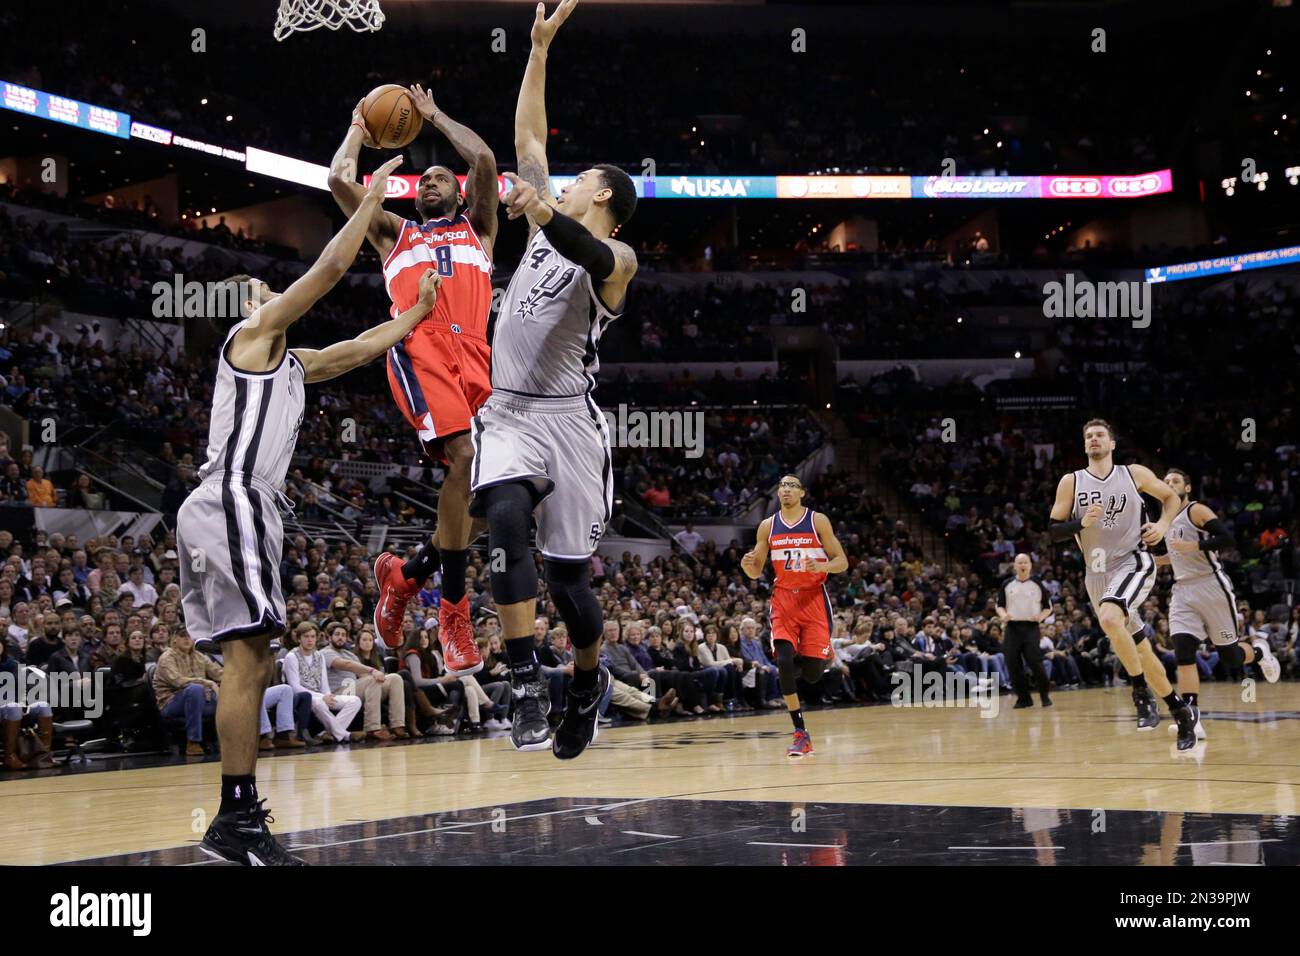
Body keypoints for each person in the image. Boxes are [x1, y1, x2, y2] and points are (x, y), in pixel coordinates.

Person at [177, 155, 440, 866]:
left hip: (250, 508)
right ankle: (234, 818)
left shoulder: (290, 363)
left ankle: (237, 815)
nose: (272, 292)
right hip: (230, 497)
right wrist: (369, 202)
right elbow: (325, 273)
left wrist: (415, 314)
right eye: (264, 289)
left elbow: (354, 351)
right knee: (248, 655)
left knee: (256, 658)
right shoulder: (251, 337)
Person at [473, 0, 639, 759]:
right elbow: (528, 137)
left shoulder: (620, 258)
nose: (561, 183)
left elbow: (594, 257)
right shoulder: (542, 226)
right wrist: (538, 49)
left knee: (571, 586)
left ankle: (585, 679)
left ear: (601, 195)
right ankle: (523, 679)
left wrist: (541, 208)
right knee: (504, 518)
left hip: (571, 423)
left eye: (577, 183)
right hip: (508, 413)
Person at [332, 86, 498, 681]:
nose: (429, 181)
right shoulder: (393, 233)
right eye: (422, 179)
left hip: (478, 355)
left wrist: (434, 116)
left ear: (456, 194)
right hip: (420, 344)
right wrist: (359, 124)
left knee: (486, 492)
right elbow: (338, 180)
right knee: (464, 453)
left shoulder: (480, 228)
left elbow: (483, 162)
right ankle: (455, 614)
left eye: (438, 178)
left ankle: (405, 578)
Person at [1048, 419, 1196, 749]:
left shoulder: (1134, 474)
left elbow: (1171, 498)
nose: (1094, 439)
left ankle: (1139, 693)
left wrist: (1162, 523)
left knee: (1110, 618)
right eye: (1088, 436)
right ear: (1084, 445)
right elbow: (1053, 532)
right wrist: (1080, 522)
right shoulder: (1071, 482)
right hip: (1096, 573)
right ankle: (1179, 709)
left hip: (1133, 560)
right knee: (1139, 648)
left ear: (1112, 443)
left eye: (1100, 435)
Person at [1157, 469, 1280, 741]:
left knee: (1231, 657)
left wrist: (1195, 547)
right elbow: (1177, 554)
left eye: (1175, 481)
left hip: (1211, 586)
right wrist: (1158, 562)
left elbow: (1227, 538)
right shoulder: (1164, 519)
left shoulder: (1196, 510)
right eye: (1165, 482)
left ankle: (1259, 651)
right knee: (1183, 652)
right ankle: (1191, 718)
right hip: (1182, 590)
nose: (1169, 485)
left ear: (1187, 488)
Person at [742, 475, 848, 757]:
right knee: (784, 661)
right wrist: (747, 566)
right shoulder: (768, 526)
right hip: (784, 599)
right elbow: (755, 571)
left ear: (802, 492)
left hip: (813, 599)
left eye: (792, 485)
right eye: (782, 486)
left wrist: (821, 564)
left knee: (813, 674)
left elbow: (842, 561)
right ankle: (800, 732)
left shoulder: (818, 521)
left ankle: (813, 654)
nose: (786, 489)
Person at [321, 622, 404, 741]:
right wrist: (373, 671)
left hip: (354, 690)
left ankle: (397, 725)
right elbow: (346, 665)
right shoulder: (326, 652)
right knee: (372, 679)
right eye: (337, 634)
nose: (340, 637)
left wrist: (383, 678)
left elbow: (362, 674)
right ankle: (372, 728)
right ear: (330, 637)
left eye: (343, 635)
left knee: (395, 678)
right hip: (337, 693)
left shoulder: (349, 654)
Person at [283, 623, 363, 744]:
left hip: (321, 695)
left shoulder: (319, 656)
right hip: (303, 697)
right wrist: (322, 697)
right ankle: (345, 735)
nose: (310, 640)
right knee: (319, 702)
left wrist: (328, 696)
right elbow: (295, 687)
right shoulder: (291, 656)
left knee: (355, 701)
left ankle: (327, 733)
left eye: (312, 636)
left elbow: (324, 683)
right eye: (306, 636)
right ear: (299, 638)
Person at [995, 553, 1053, 709]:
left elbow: (1048, 607)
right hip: (1012, 628)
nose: (1022, 565)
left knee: (1034, 661)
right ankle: (1024, 699)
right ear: (1014, 566)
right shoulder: (1007, 584)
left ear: (1030, 565)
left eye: (1025, 562)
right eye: (1019, 562)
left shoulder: (1037, 583)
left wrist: (1040, 617)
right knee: (1012, 663)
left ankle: (1044, 695)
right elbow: (999, 605)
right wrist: (1003, 615)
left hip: (1030, 628)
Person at [152, 630, 222, 756]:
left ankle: (236, 741)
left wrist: (238, 676)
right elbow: (177, 681)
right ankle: (193, 742)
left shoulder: (200, 656)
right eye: (182, 636)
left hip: (201, 700)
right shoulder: (167, 658)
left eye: (189, 636)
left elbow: (219, 673)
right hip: (171, 702)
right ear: (174, 639)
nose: (186, 639)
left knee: (231, 695)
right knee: (195, 689)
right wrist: (208, 683)